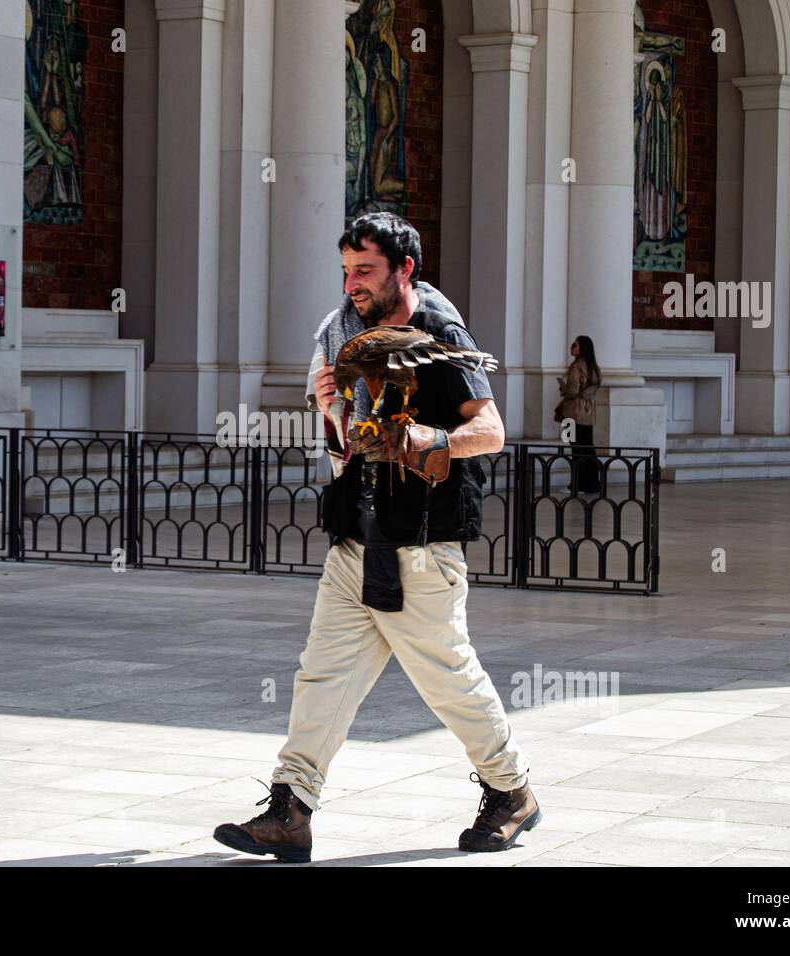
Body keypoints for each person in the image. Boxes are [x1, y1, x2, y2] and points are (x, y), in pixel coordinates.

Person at [212, 213, 538, 863]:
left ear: (404, 270)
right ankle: (291, 809)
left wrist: (430, 439)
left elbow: (493, 430)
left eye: (365, 271)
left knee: (448, 680)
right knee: (323, 676)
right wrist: (332, 409)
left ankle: (512, 791)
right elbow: (349, 444)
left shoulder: (441, 335)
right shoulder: (345, 334)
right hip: (358, 533)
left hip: (423, 540)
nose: (352, 285)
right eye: (345, 272)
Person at [555, 335, 603, 495]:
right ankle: (592, 483)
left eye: (575, 345)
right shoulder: (594, 367)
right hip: (588, 413)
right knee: (588, 448)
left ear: (582, 348)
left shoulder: (576, 368)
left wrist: (564, 389)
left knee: (575, 449)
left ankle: (577, 485)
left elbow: (573, 391)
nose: (571, 347)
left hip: (572, 413)